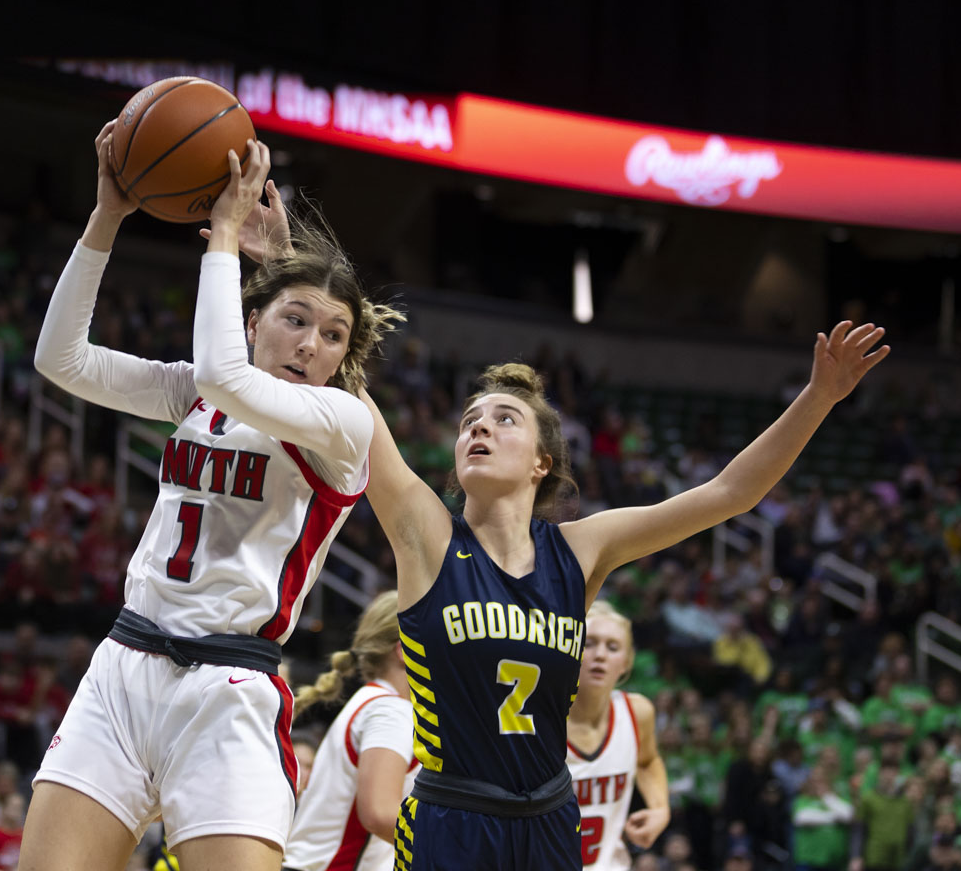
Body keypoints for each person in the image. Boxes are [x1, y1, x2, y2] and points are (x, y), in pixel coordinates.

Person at [359, 320, 888, 870]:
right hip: (455, 816)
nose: (478, 429)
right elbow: (357, 410)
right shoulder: (428, 536)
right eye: (469, 422)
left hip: (549, 817)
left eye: (503, 419)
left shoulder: (582, 549)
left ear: (542, 462)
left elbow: (731, 492)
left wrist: (819, 397)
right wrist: (286, 271)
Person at [21, 126, 399, 871]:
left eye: (333, 335)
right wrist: (108, 216)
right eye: (296, 320)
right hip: (126, 668)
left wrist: (223, 234)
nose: (311, 345)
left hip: (229, 689)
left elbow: (229, 373)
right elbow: (58, 359)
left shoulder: (341, 424)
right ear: (253, 321)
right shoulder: (196, 389)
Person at [282, 591, 417, 871]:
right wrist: (456, 845)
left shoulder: (374, 701)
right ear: (404, 649)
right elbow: (380, 813)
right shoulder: (390, 711)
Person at [566, 601, 669, 869]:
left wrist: (660, 808)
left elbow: (647, 761)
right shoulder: (539, 719)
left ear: (626, 663)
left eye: (612, 647)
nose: (600, 655)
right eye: (589, 644)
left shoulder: (637, 713)